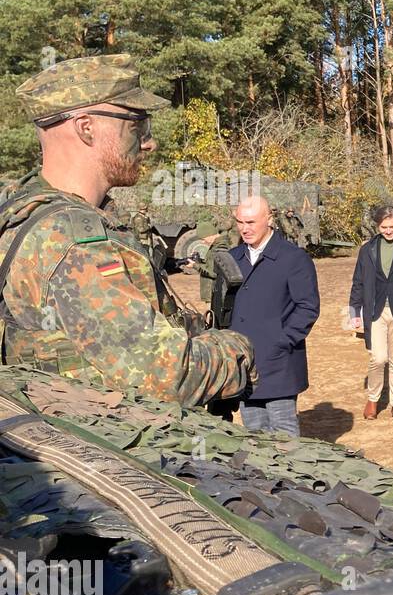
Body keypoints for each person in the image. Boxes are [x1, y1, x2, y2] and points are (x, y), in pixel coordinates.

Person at [1, 54, 254, 405]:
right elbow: (171, 377)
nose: (149, 143)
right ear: (85, 127)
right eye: (136, 124)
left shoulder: (23, 207)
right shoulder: (74, 242)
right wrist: (237, 348)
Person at [228, 194, 320, 436]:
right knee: (254, 432)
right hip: (244, 362)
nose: (244, 229)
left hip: (279, 361)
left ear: (269, 220)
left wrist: (283, 340)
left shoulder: (293, 258)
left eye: (251, 223)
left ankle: (290, 476)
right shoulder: (233, 258)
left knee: (283, 432)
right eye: (240, 222)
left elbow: (308, 307)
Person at [348, 204, 393, 420]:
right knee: (378, 358)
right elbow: (357, 282)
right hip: (375, 312)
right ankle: (373, 399)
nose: (388, 231)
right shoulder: (367, 250)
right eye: (384, 227)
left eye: (392, 226)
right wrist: (353, 313)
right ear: (377, 226)